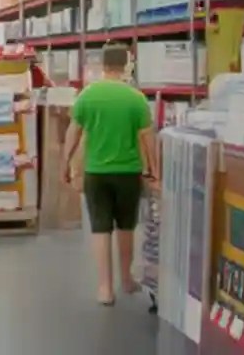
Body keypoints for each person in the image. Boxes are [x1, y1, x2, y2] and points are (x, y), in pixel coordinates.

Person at [61, 44, 158, 306]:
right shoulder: (136, 98)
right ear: (126, 66)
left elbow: (73, 132)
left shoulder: (87, 96)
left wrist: (66, 163)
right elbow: (148, 139)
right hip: (128, 172)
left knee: (100, 228)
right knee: (126, 227)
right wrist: (154, 170)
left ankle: (105, 288)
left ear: (103, 65)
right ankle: (126, 279)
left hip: (96, 173)